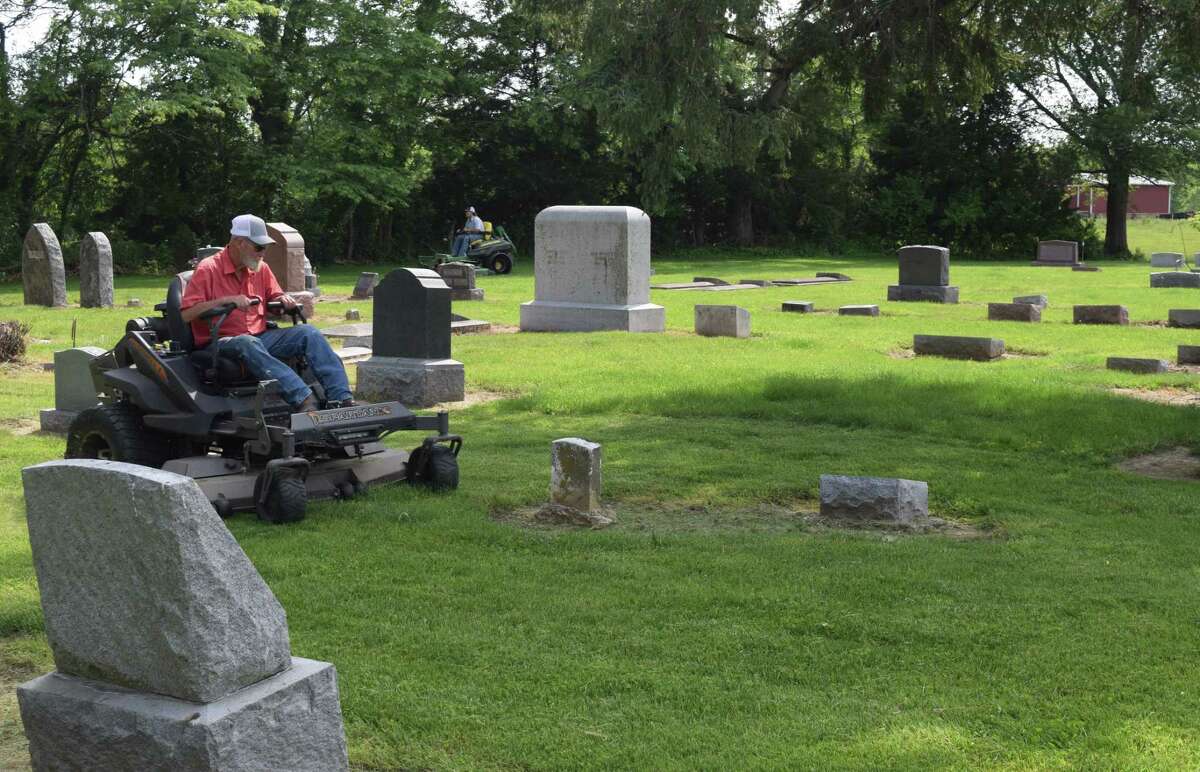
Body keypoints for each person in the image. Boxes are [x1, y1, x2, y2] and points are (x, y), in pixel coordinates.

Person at [180, 214, 353, 412]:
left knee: (309, 332)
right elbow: (187, 314)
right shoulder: (208, 268)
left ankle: (342, 399)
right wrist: (228, 300)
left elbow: (275, 295)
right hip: (220, 342)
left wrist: (284, 300)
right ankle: (303, 398)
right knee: (247, 342)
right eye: (258, 247)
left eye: (265, 247)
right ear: (239, 242)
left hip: (260, 337)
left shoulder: (261, 269)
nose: (263, 253)